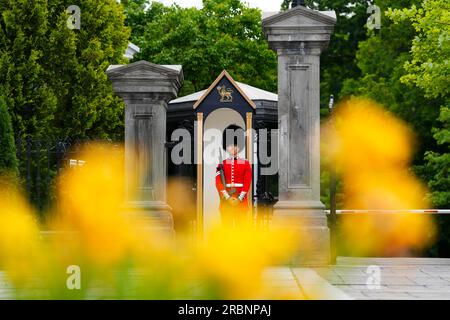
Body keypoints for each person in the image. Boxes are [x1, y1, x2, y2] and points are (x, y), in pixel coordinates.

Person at [215, 125, 252, 227]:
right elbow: (218, 182)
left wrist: (239, 199)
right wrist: (227, 197)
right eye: (230, 145)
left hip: (241, 201)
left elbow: (247, 182)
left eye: (236, 145)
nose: (233, 147)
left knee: (241, 231)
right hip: (226, 202)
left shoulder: (245, 163)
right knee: (226, 231)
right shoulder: (221, 164)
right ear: (226, 146)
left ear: (239, 146)